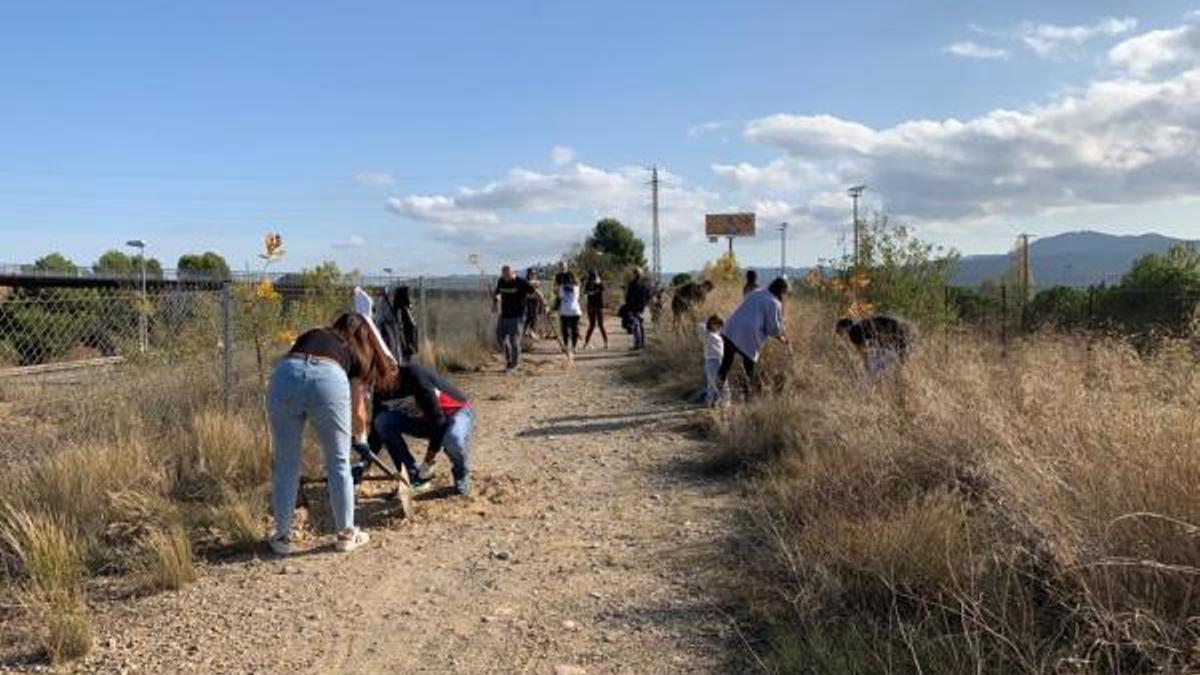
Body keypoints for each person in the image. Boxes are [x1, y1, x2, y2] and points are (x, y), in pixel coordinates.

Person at [267, 313, 396, 555]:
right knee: (338, 462)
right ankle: (346, 534)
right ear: (364, 336)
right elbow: (358, 411)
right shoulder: (355, 353)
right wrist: (362, 440)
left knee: (286, 463)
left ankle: (282, 537)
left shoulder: (314, 334)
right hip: (328, 379)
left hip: (286, 374)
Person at [373, 362, 475, 496]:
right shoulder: (379, 388)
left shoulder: (414, 375)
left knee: (453, 440)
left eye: (383, 378)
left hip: (454, 413)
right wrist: (364, 462)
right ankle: (412, 475)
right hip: (424, 421)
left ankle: (461, 473)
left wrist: (427, 461)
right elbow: (375, 434)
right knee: (382, 421)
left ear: (395, 370)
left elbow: (438, 421)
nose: (381, 385)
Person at [718, 277, 791, 397]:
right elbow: (772, 329)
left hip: (731, 327)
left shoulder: (757, 292)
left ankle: (715, 393)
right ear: (782, 291)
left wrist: (780, 337)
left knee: (726, 364)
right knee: (750, 370)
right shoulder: (774, 303)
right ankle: (751, 397)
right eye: (786, 292)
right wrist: (782, 335)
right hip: (748, 334)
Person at [836, 314, 916, 378]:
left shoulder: (853, 333)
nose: (841, 336)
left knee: (872, 371)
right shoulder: (860, 326)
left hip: (893, 343)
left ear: (844, 328)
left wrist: (866, 367)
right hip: (899, 337)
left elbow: (864, 355)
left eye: (840, 332)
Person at [493, 265, 538, 372]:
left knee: (514, 339)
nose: (505, 277)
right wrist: (495, 302)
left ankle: (515, 364)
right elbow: (497, 293)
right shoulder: (501, 281)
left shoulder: (521, 282)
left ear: (512, 273)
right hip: (504, 315)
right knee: (500, 337)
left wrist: (545, 304)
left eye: (507, 274)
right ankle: (509, 360)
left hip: (518, 315)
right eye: (503, 274)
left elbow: (535, 292)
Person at [696, 314, 728, 406]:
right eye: (716, 324)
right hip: (711, 361)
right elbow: (699, 326)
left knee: (716, 382)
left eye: (719, 325)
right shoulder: (707, 334)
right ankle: (720, 402)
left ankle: (714, 402)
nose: (718, 327)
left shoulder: (718, 334)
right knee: (714, 382)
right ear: (712, 324)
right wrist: (708, 321)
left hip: (720, 360)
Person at [624, 267, 653, 351]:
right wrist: (646, 303)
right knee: (640, 325)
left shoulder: (632, 284)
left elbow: (628, 297)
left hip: (634, 307)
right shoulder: (645, 284)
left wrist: (628, 306)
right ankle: (642, 344)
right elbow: (649, 295)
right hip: (642, 307)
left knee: (636, 325)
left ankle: (638, 344)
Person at [557, 270, 582, 362]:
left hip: (565, 311)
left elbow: (560, 297)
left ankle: (566, 346)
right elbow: (577, 298)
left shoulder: (561, 287)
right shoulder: (576, 287)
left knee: (565, 330)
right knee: (575, 329)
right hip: (575, 310)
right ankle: (574, 348)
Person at [582, 269, 608, 350]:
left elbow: (603, 289)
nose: (593, 278)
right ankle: (586, 343)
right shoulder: (588, 283)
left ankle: (606, 343)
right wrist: (592, 292)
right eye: (593, 276)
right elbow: (585, 292)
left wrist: (598, 283)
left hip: (599, 306)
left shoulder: (599, 283)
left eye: (594, 276)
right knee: (592, 325)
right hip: (591, 306)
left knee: (600, 325)